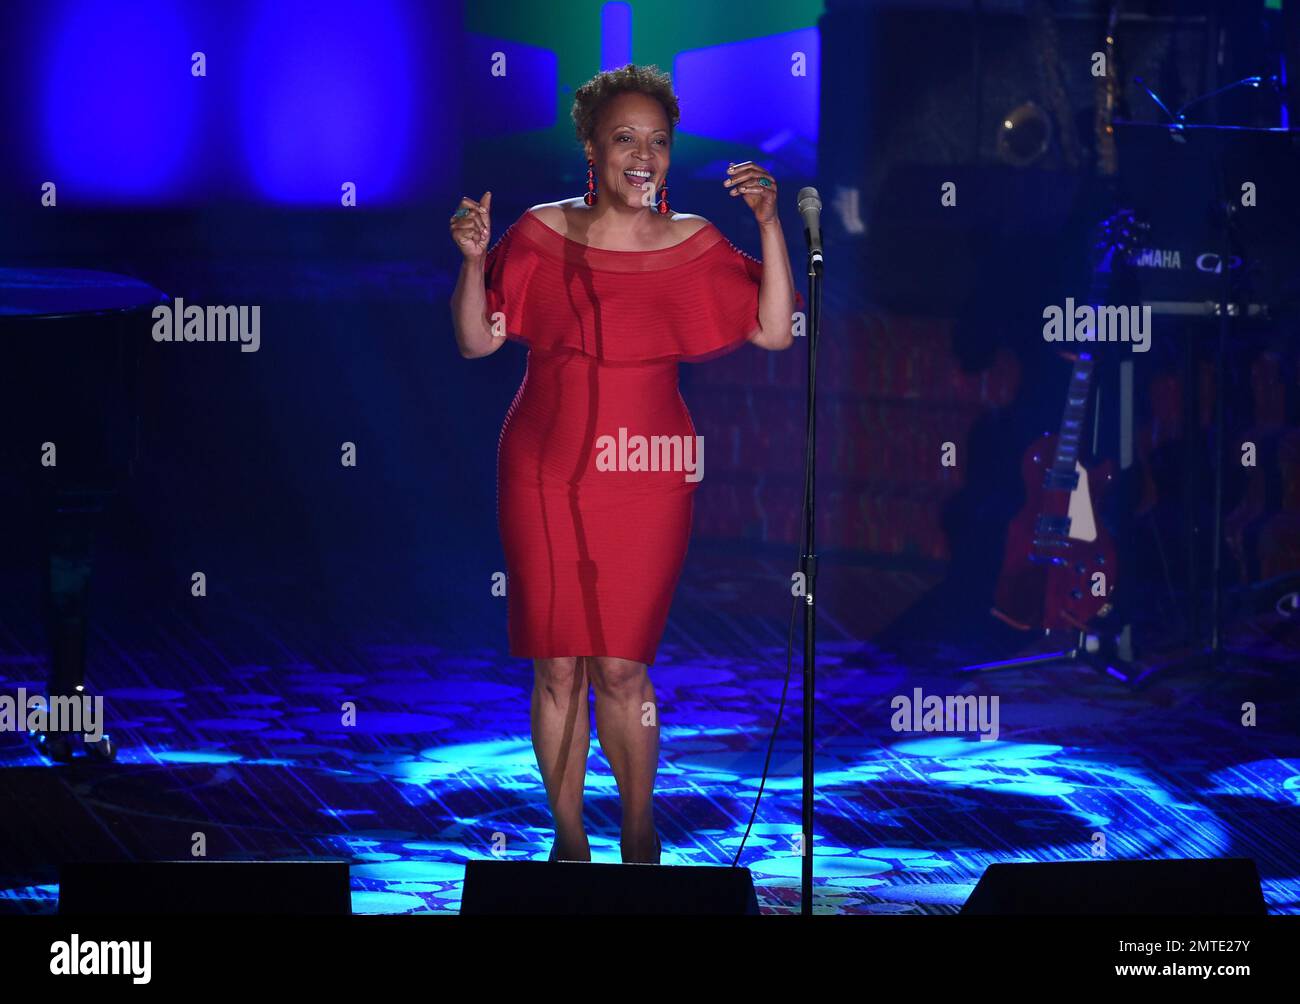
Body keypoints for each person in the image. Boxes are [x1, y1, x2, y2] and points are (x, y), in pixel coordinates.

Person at [449, 64, 798, 865]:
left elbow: (777, 330)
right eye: (625, 139)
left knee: (620, 667)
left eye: (659, 142)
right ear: (591, 148)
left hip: (647, 473)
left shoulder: (695, 242)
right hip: (542, 465)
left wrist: (770, 226)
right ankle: (569, 843)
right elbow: (476, 340)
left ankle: (639, 839)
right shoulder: (537, 233)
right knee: (559, 666)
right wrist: (474, 262)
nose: (644, 156)